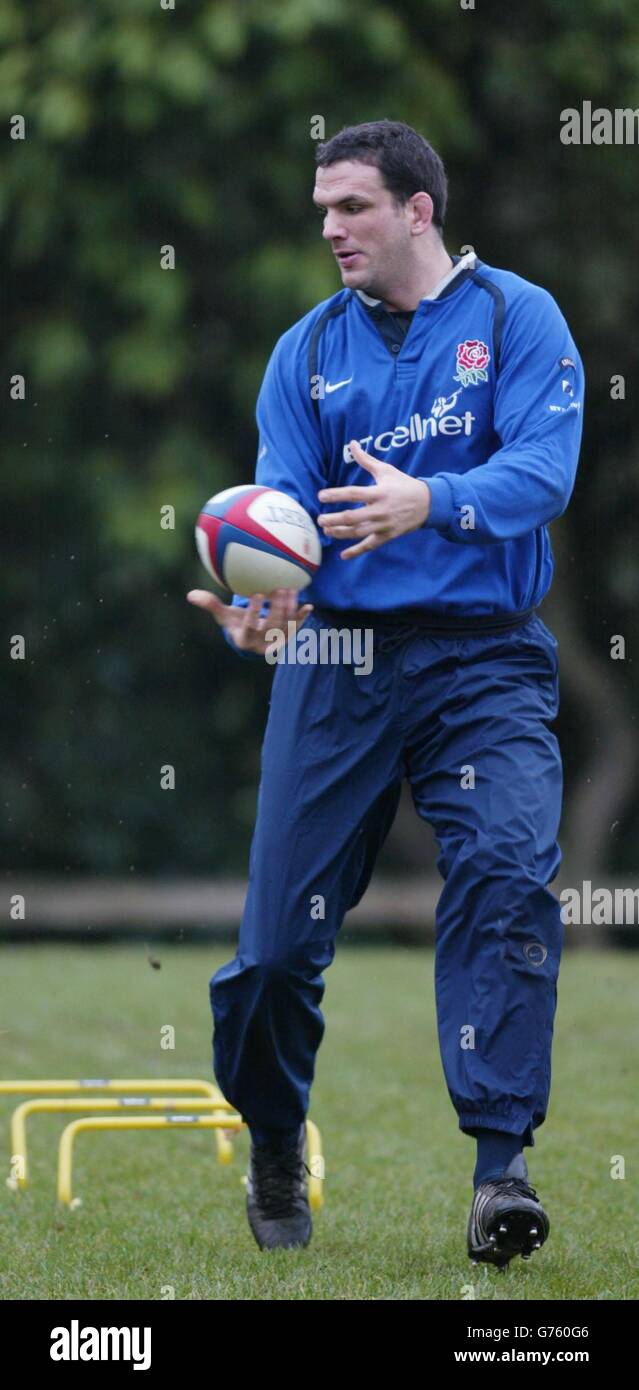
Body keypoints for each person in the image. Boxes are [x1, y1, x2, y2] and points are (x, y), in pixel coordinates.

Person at [187, 119, 584, 1267]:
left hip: (485, 656)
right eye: (322, 209)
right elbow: (278, 525)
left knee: (507, 876)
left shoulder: (518, 318)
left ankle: (500, 1170)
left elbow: (544, 474)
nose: (330, 228)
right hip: (338, 663)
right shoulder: (304, 352)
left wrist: (434, 502)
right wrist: (266, 605)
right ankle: (274, 1134)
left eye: (352, 206)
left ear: (419, 210)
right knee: (270, 951)